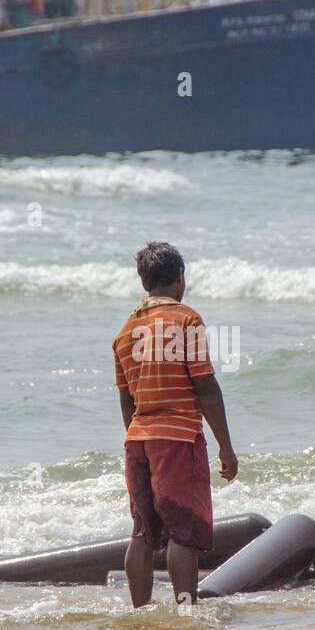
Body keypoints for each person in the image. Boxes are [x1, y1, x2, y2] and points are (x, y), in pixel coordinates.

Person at [113, 242, 238, 608]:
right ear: (180, 278)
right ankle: (186, 612)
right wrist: (225, 447)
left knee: (142, 532)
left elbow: (126, 400)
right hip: (178, 438)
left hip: (137, 440)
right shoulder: (186, 320)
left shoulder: (124, 332)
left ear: (143, 281)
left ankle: (140, 612)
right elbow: (205, 387)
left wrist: (137, 438)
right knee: (184, 534)